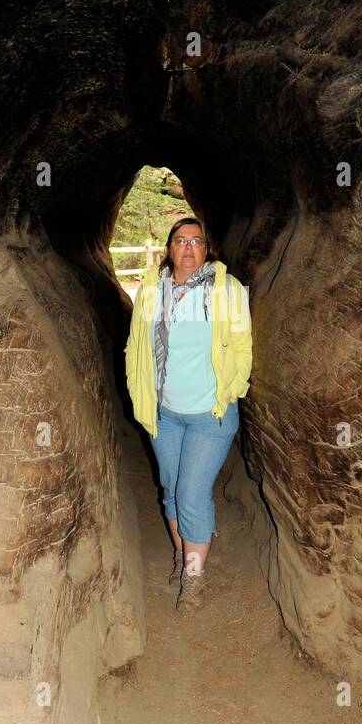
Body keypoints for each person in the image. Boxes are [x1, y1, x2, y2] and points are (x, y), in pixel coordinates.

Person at [124, 217, 252, 610]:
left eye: (197, 241)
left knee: (192, 494)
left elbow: (243, 347)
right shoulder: (150, 292)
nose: (189, 248)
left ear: (206, 248)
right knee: (171, 492)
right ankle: (185, 555)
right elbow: (135, 349)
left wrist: (228, 393)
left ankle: (193, 577)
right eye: (181, 241)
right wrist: (140, 396)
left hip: (209, 415)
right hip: (164, 414)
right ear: (169, 249)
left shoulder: (226, 290)